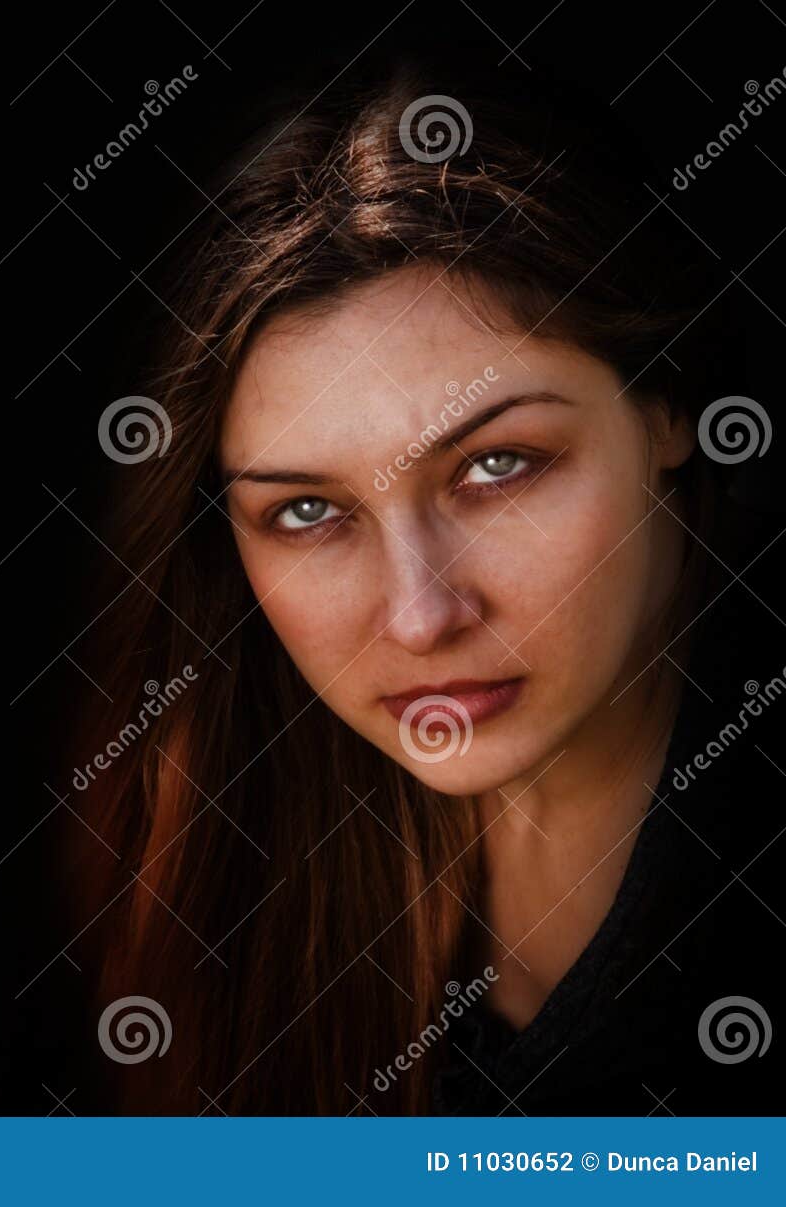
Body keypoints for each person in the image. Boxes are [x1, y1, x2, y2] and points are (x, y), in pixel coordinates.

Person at [69, 52, 784, 1115]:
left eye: (498, 465)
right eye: (305, 512)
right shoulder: (219, 867)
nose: (418, 615)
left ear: (668, 408)